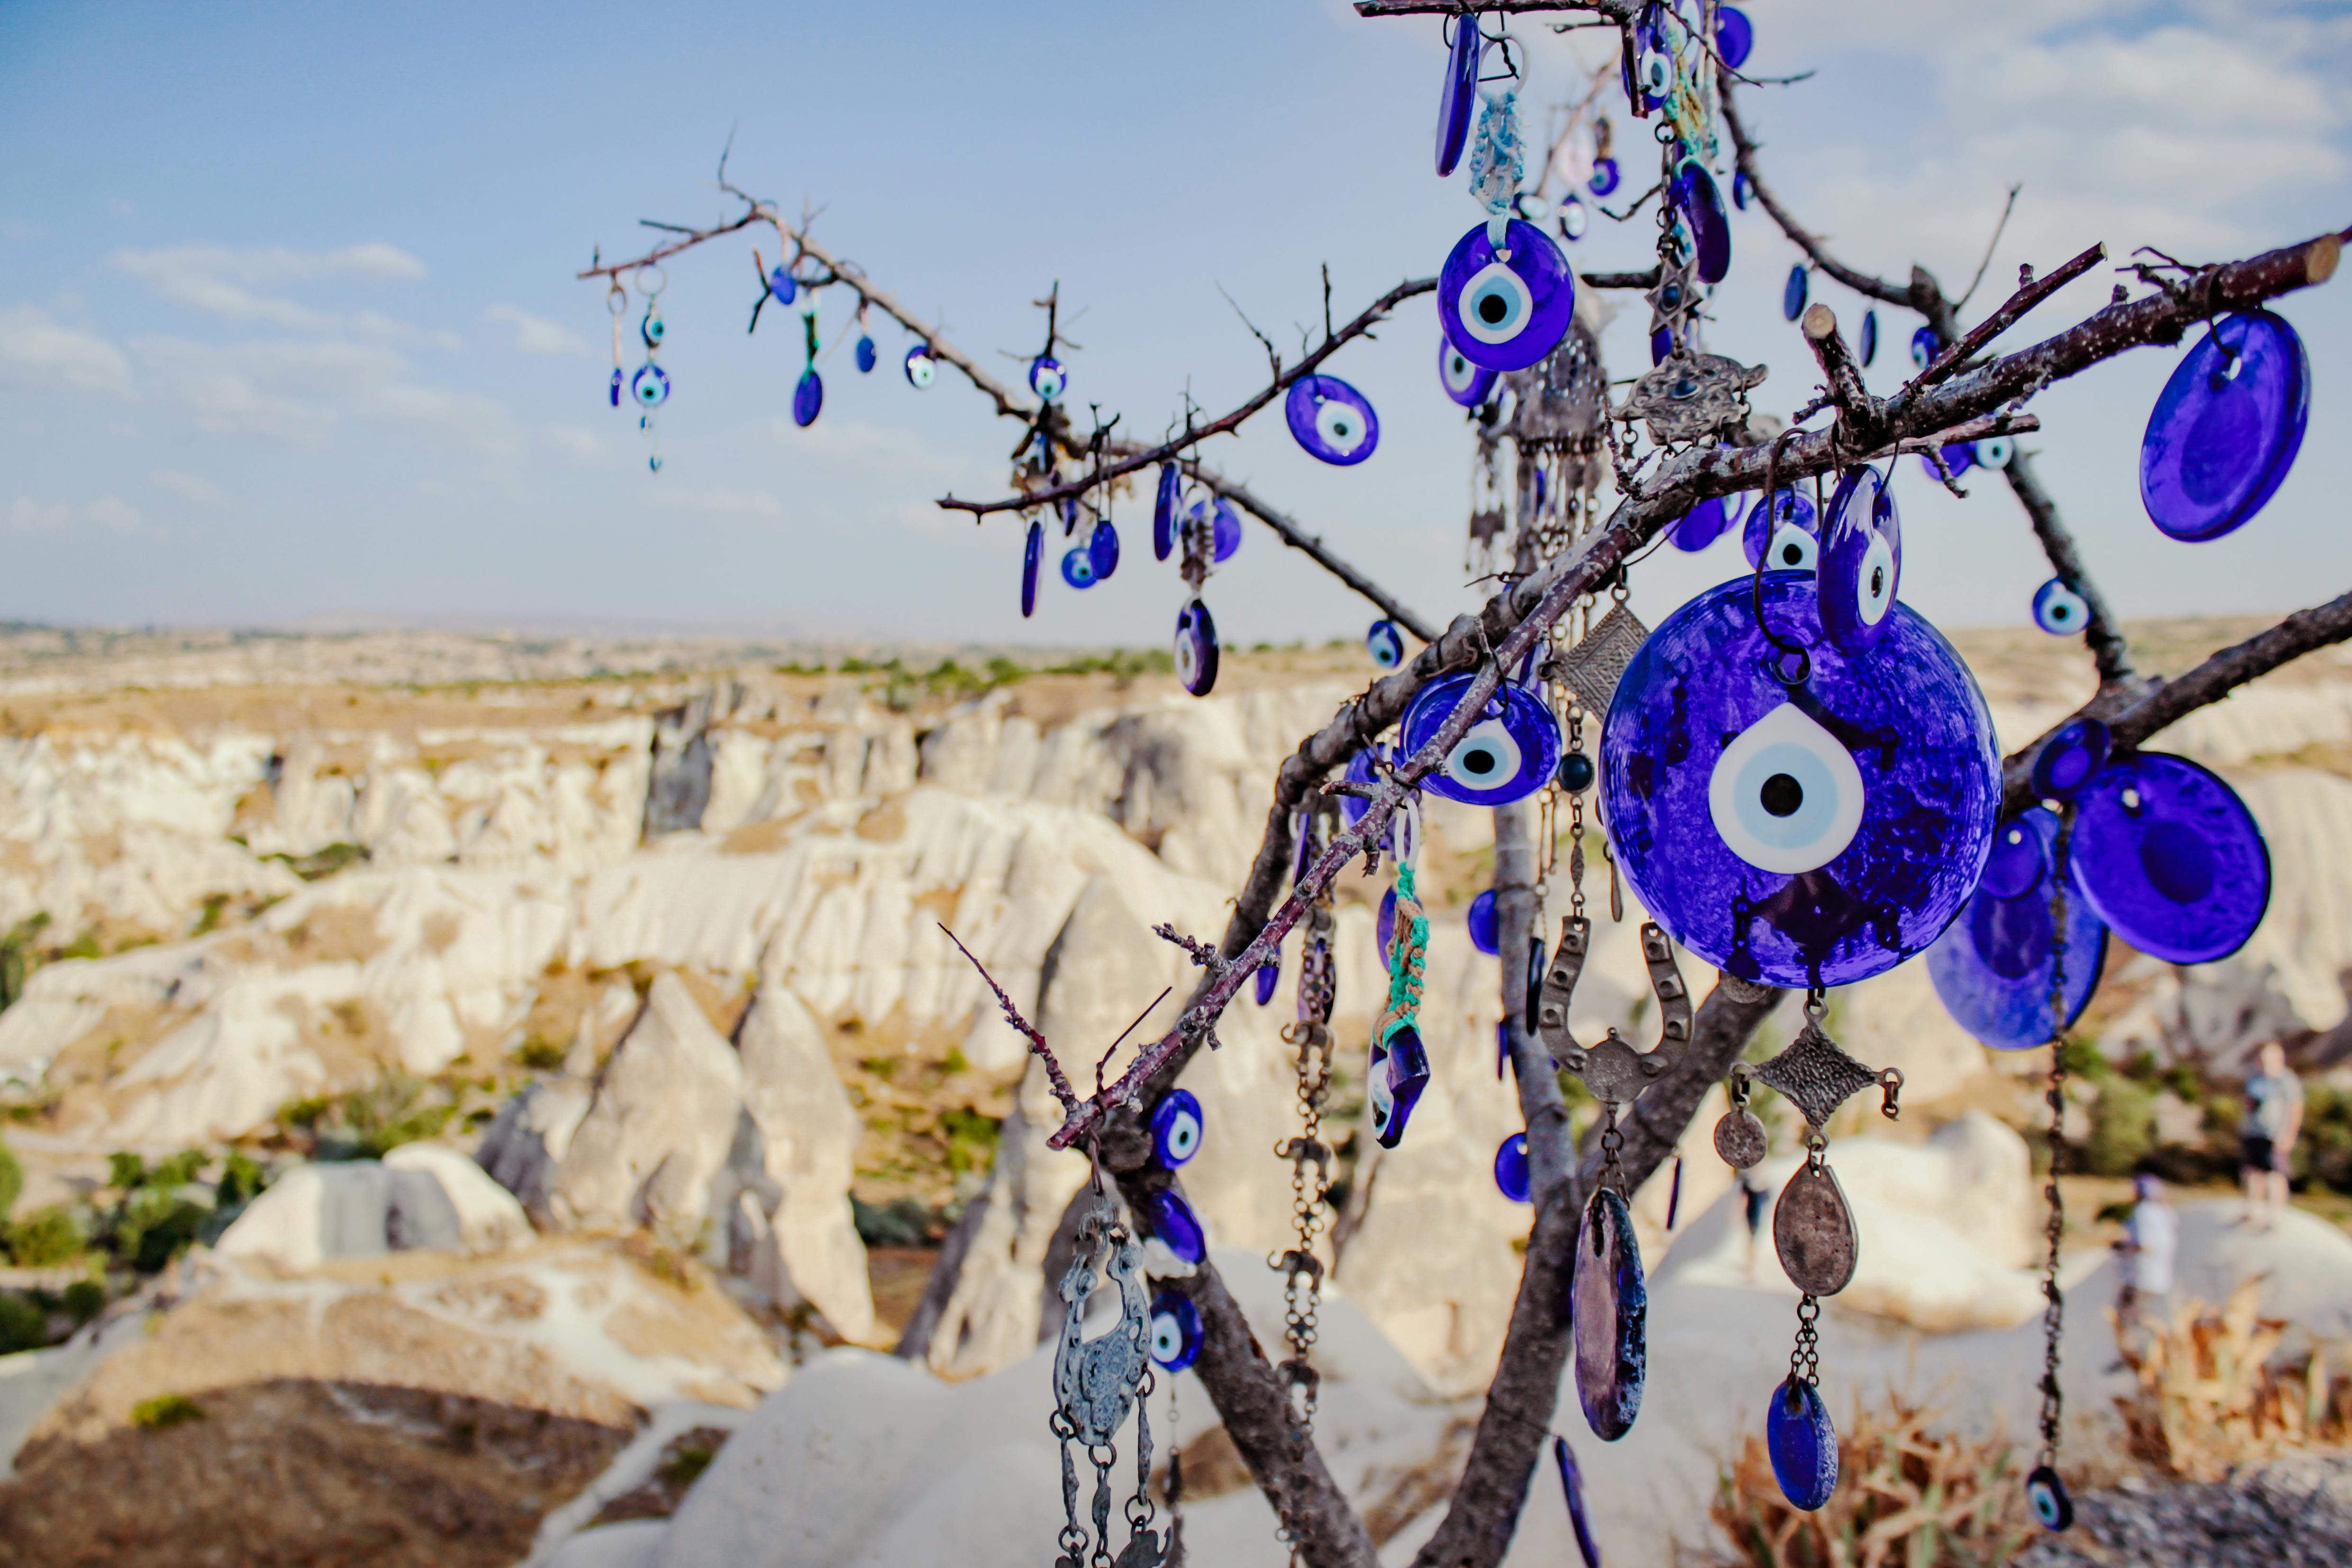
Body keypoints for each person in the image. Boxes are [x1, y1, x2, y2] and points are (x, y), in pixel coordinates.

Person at [2240, 1040, 2305, 1230]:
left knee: (2276, 1174)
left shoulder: (2287, 1080)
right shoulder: (2256, 1080)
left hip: (2275, 1135)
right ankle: (2253, 1210)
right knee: (2253, 1172)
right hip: (2254, 1132)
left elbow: (2296, 1108)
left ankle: (2276, 1214)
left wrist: (2289, 1134)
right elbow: (2248, 1104)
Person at [2113, 1172, 2176, 1341]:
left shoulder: (2143, 1212)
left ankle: (2134, 1349)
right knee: (2139, 1314)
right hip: (2157, 1273)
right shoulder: (2165, 1211)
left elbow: (2144, 1244)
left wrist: (2122, 1245)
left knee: (2128, 1315)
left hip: (2141, 1275)